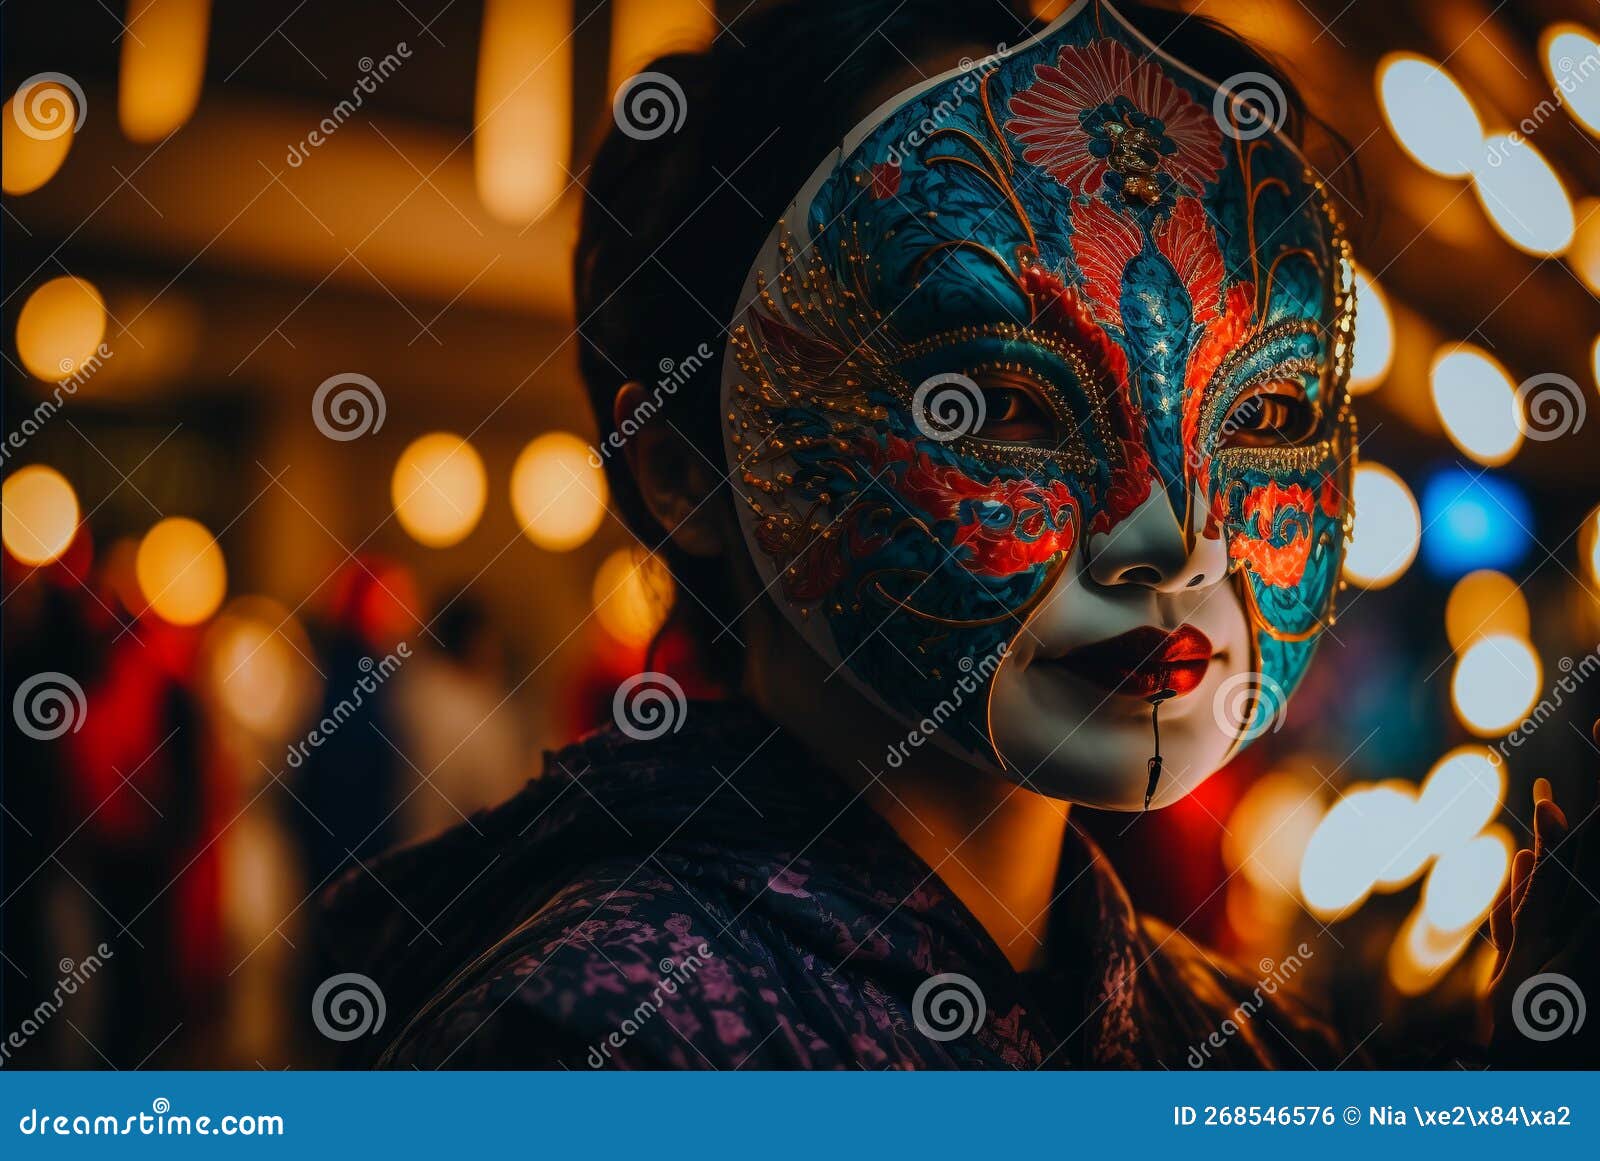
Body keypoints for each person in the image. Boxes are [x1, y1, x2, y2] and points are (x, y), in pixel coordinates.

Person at [321, 0, 1598, 1068]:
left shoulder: (1237, 1041)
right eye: (998, 402)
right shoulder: (605, 1043)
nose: (1170, 534)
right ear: (683, 473)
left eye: (1259, 408)